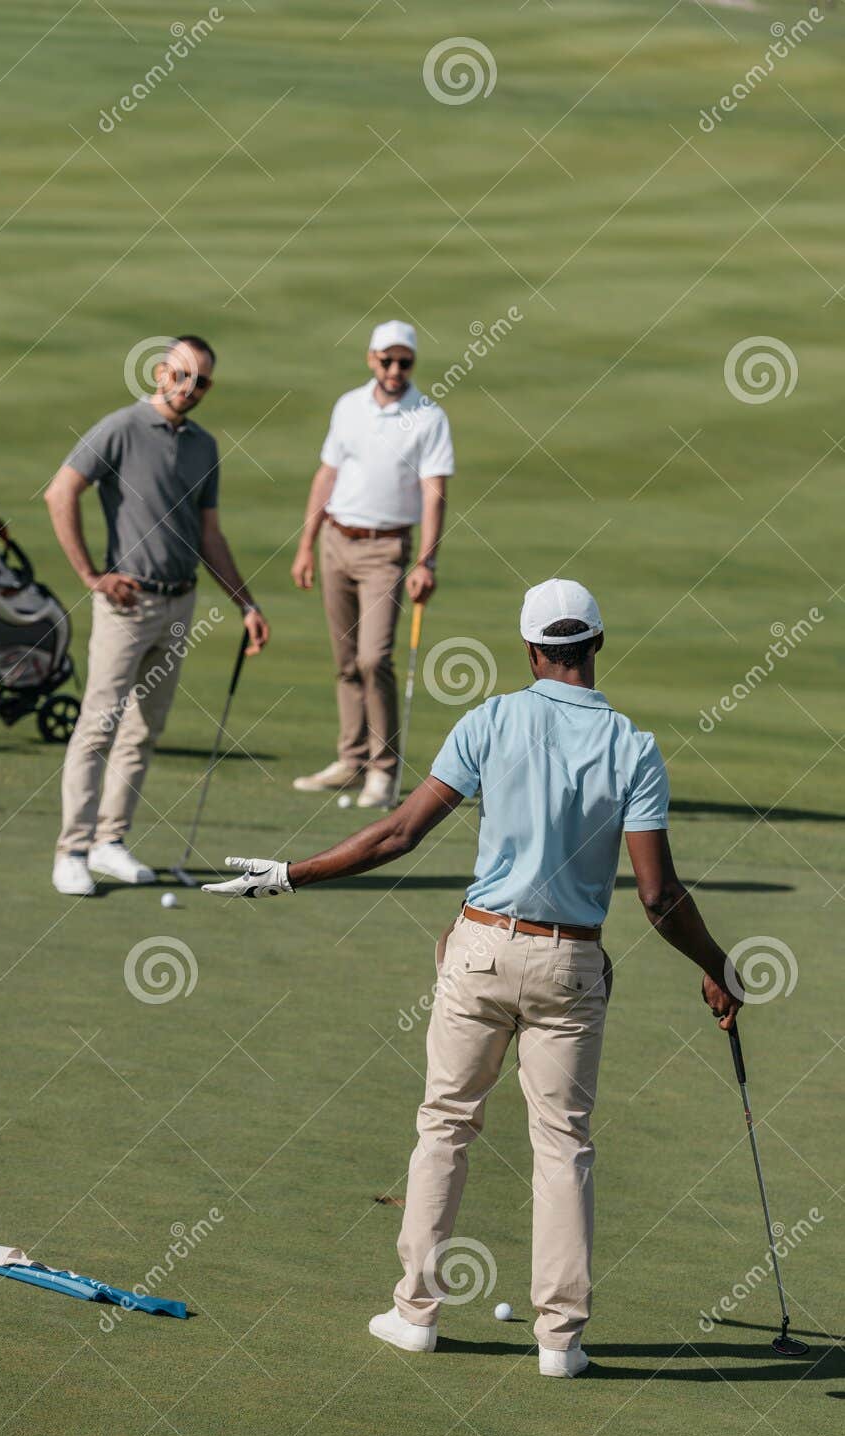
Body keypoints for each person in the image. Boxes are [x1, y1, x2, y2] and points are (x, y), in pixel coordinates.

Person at [203, 579, 743, 1377]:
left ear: (530, 650)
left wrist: (291, 874)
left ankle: (415, 1314)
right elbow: (659, 897)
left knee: (446, 1125)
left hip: (481, 952)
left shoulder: (490, 720)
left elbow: (397, 835)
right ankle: (560, 1341)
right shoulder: (633, 746)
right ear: (597, 644)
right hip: (572, 965)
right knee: (563, 1146)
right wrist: (717, 966)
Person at [45, 336, 269, 895]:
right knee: (99, 724)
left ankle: (110, 840)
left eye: (202, 381)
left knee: (144, 728)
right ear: (161, 371)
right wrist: (91, 575)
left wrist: (245, 603)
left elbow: (209, 536)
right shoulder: (121, 428)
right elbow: (60, 493)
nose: (189, 388)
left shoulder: (203, 446)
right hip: (126, 603)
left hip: (179, 602)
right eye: (182, 374)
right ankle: (72, 850)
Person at [290, 320, 454, 809]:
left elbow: (434, 493)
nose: (395, 369)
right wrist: (306, 543)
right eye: (387, 360)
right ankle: (351, 758)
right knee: (346, 661)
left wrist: (427, 561)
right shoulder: (348, 406)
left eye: (404, 361)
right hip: (336, 540)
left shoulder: (428, 416)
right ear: (371, 359)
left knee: (373, 658)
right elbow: (327, 475)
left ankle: (383, 769)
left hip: (387, 550)